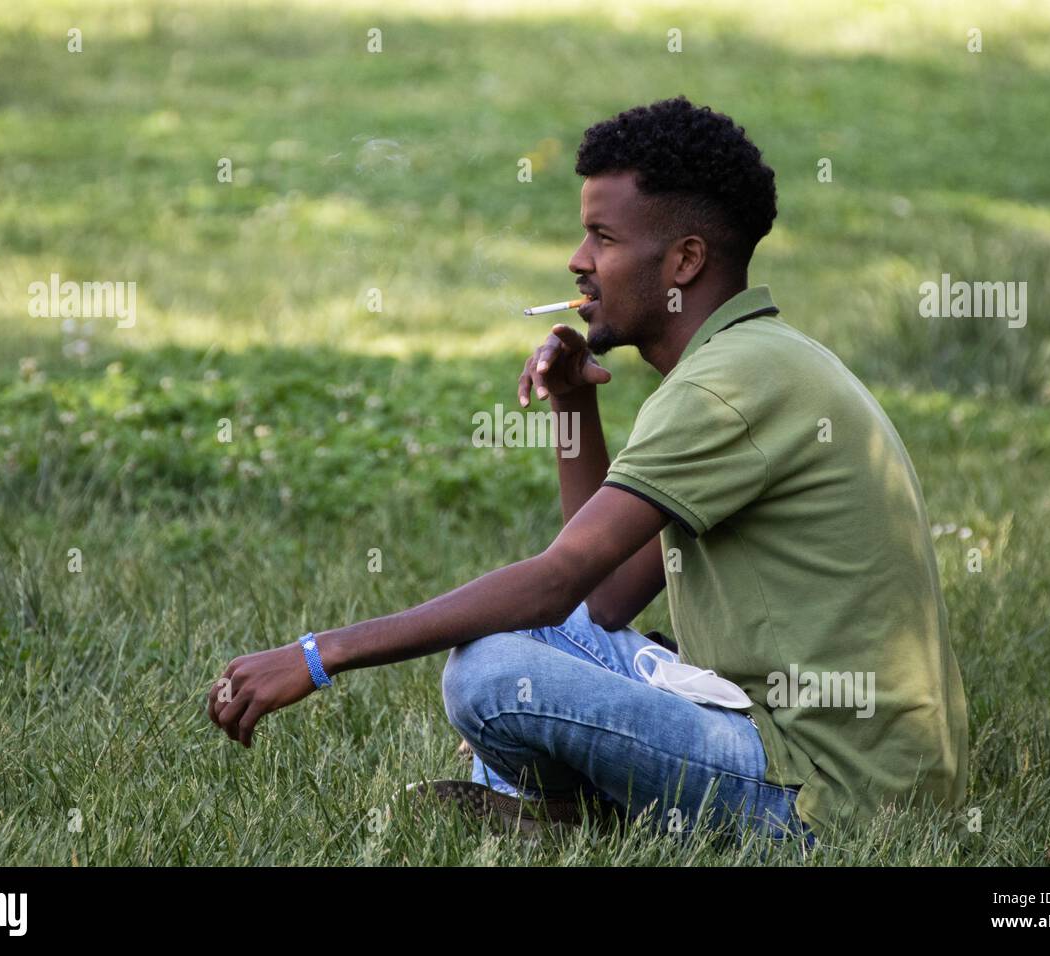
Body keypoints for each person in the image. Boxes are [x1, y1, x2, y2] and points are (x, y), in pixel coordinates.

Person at [208, 96, 969, 849]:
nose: (578, 261)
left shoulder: (722, 389)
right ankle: (577, 814)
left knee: (491, 672)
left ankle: (577, 816)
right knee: (545, 636)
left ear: (684, 261)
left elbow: (559, 577)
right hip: (832, 760)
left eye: (602, 237)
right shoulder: (753, 360)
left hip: (826, 801)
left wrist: (321, 654)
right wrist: (573, 405)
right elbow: (605, 600)